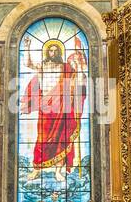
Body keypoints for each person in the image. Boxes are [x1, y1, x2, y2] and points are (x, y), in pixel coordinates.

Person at [21, 37, 87, 183]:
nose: (52, 52)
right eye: (50, 50)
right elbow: (27, 63)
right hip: (46, 106)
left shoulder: (65, 67)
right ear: (46, 52)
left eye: (55, 50)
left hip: (62, 108)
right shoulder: (42, 66)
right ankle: (37, 168)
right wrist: (26, 46)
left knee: (60, 139)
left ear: (59, 52)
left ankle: (58, 171)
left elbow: (80, 78)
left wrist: (81, 65)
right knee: (42, 138)